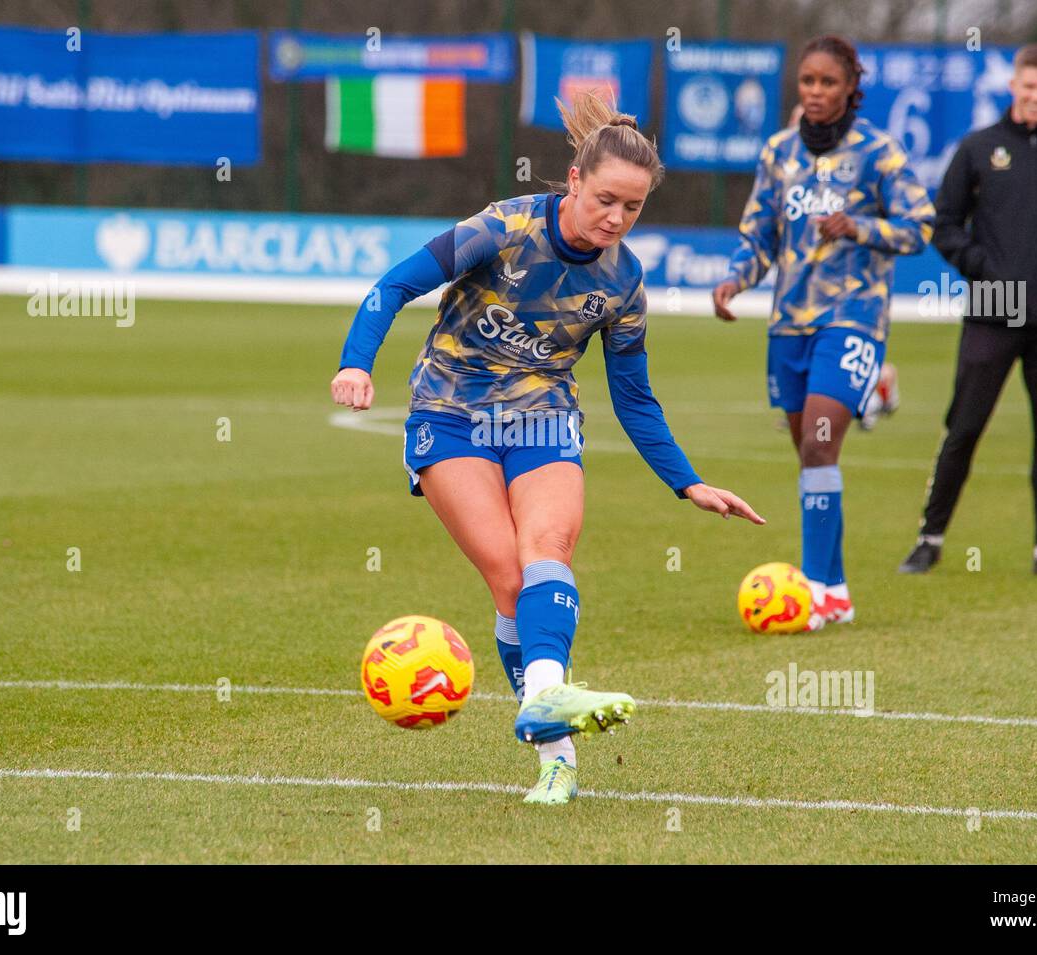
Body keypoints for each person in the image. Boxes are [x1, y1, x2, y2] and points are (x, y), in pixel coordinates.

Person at [331, 90, 765, 805]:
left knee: (547, 553)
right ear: (573, 182)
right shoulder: (502, 228)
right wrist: (356, 362)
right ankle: (557, 751)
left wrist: (686, 481)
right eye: (605, 200)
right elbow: (395, 284)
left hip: (543, 421)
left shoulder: (623, 281)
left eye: (632, 208)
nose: (616, 220)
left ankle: (545, 723)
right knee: (506, 576)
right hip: (450, 414)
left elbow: (633, 396)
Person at [712, 35, 935, 628]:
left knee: (817, 442)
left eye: (827, 83)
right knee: (813, 456)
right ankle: (836, 591)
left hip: (854, 318)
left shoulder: (879, 153)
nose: (814, 92)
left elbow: (919, 227)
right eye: (807, 81)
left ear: (850, 89)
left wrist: (858, 226)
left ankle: (810, 593)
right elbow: (759, 235)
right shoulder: (778, 152)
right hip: (789, 324)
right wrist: (735, 282)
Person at [898, 44, 1037, 578]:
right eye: (1030, 86)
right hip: (995, 305)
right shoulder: (978, 148)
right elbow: (943, 222)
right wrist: (980, 267)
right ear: (1014, 86)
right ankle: (930, 538)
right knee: (965, 426)